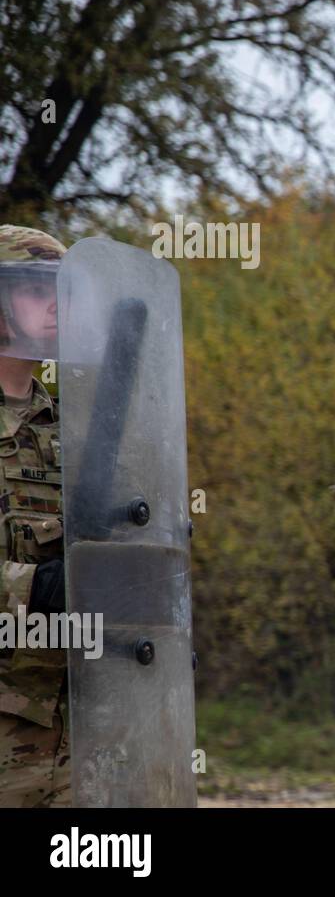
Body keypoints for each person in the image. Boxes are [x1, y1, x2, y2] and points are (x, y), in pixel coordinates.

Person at [0, 225, 69, 807]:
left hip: (76, 717)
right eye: (34, 289)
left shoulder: (72, 423)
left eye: (62, 292)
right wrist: (35, 588)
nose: (55, 307)